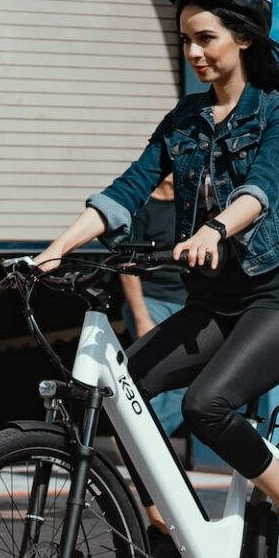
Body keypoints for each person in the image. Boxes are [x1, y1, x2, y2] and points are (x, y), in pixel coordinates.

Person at [31, 0, 279, 558]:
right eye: (186, 42)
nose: (195, 53)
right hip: (220, 302)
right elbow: (127, 190)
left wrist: (214, 231)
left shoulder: (277, 112)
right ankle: (167, 536)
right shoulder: (185, 120)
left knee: (206, 407)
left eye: (206, 39)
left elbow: (261, 188)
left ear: (243, 38)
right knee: (122, 397)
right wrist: (55, 248)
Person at [119, 174, 187, 436]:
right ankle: (139, 443)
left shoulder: (187, 205)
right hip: (151, 301)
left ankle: (147, 443)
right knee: (153, 375)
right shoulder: (143, 209)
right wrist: (141, 317)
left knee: (183, 381)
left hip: (185, 302)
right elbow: (127, 265)